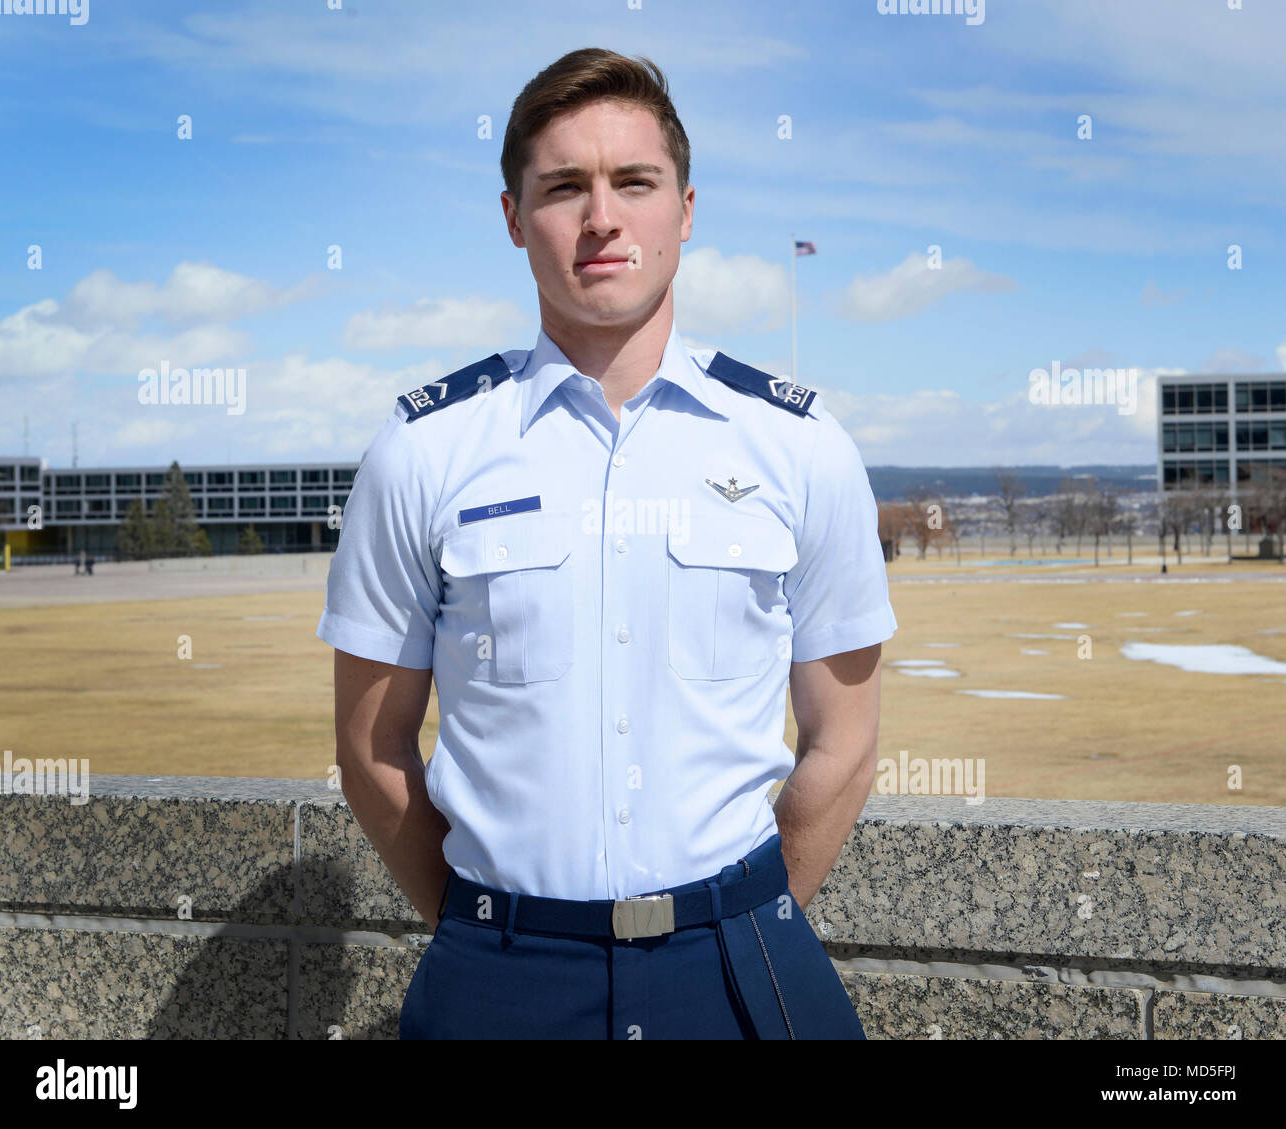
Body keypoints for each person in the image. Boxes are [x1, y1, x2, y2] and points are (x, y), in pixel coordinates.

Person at [316, 47, 897, 1040]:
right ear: (513, 218)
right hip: (500, 974)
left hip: (739, 965)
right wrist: (487, 927)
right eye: (562, 187)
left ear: (685, 207)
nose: (601, 218)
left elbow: (842, 741)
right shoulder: (423, 450)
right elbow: (373, 744)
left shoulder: (800, 446)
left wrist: (738, 921)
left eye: (634, 181)